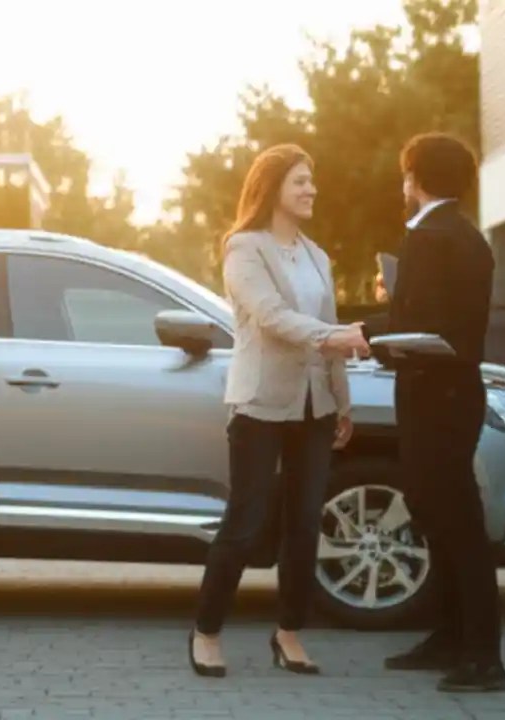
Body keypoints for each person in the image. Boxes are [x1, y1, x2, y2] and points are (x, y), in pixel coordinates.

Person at [189, 144, 369, 678]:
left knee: (305, 524)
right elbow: (271, 318)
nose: (311, 189)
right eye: (300, 182)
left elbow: (328, 331)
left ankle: (288, 632)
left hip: (315, 406)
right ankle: (206, 631)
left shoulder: (318, 256)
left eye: (311, 181)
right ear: (272, 188)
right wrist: (337, 336)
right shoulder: (244, 248)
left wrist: (342, 400)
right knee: (245, 524)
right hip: (261, 402)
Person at [368, 133, 505, 693]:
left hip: (436, 397)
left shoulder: (429, 236)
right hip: (452, 395)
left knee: (456, 524)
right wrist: (395, 302)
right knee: (440, 515)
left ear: (417, 178)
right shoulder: (464, 235)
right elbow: (438, 312)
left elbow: (421, 329)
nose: (403, 186)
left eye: (406, 175)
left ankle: (483, 657)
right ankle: (451, 637)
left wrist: (362, 334)